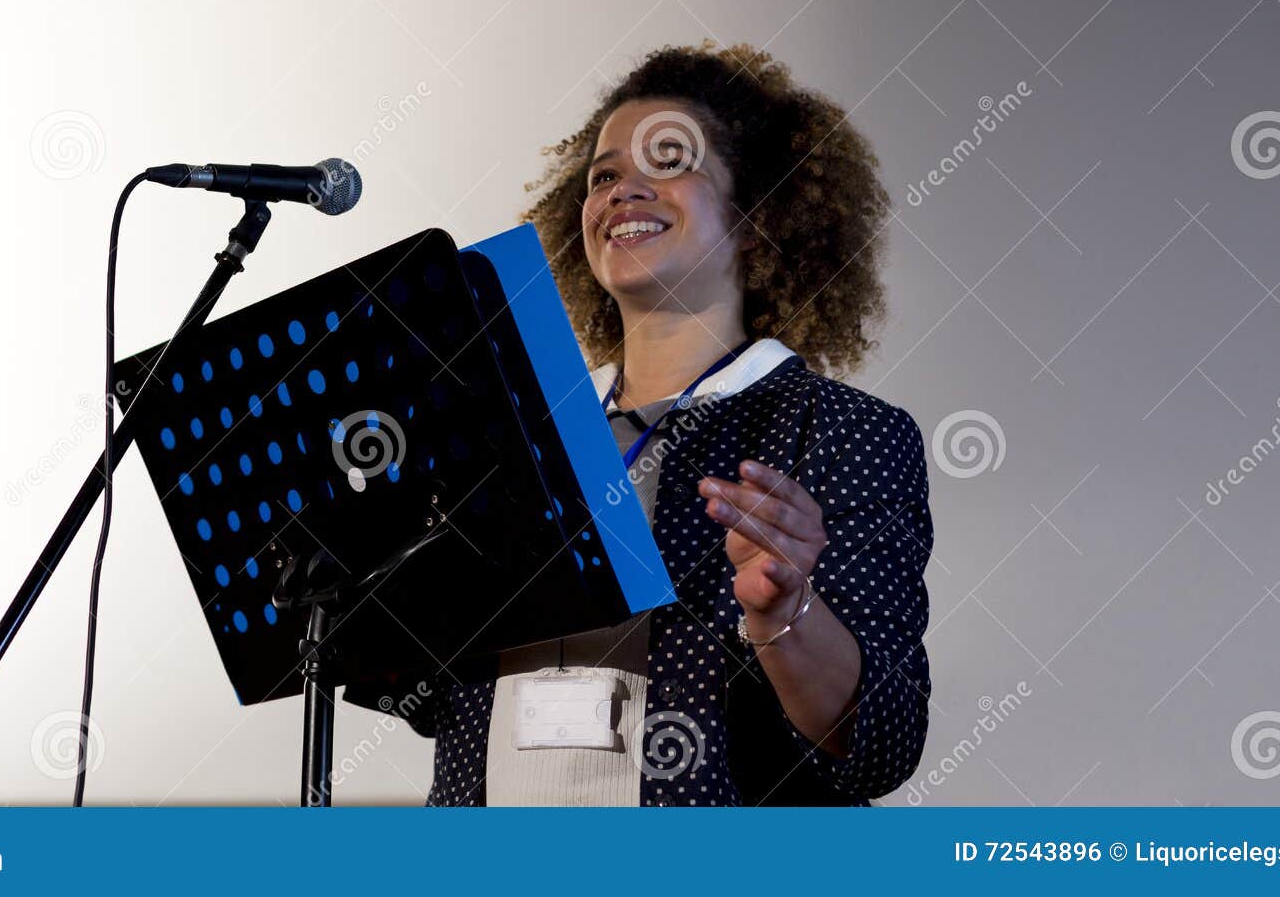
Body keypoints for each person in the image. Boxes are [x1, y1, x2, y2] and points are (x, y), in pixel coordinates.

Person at [372, 41, 933, 806]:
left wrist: (784, 610)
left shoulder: (842, 431)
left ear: (756, 214)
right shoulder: (508, 434)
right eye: (603, 176)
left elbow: (882, 744)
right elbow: (441, 705)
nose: (623, 190)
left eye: (669, 160)